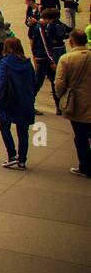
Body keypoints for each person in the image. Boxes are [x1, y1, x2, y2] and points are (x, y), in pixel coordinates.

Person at [0, 37, 37, 169]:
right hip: (25, 99)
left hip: (9, 99)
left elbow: (1, 81)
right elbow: (34, 81)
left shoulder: (4, 62)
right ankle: (22, 159)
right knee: (23, 131)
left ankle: (12, 155)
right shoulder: (27, 63)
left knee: (4, 126)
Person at [54, 29, 91, 178]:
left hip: (77, 103)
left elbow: (59, 83)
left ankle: (85, 166)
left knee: (81, 137)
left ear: (71, 41)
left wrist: (61, 96)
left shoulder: (67, 59)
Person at [30, 8, 68, 115]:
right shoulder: (40, 28)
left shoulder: (41, 27)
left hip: (43, 58)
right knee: (38, 83)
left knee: (53, 81)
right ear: (49, 19)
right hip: (43, 60)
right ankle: (29, 104)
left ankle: (59, 106)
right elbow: (45, 46)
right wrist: (51, 61)